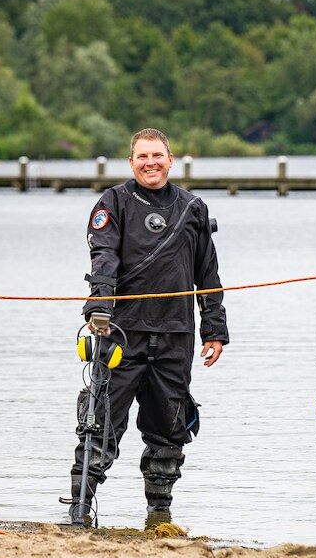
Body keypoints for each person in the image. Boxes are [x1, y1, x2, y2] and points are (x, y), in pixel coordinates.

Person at [68, 127, 229, 523]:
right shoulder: (114, 202)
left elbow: (207, 273)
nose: (151, 163)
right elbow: (103, 258)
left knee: (170, 429)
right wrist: (99, 307)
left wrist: (215, 329)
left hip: (175, 337)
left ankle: (159, 515)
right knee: (98, 421)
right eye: (142, 156)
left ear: (170, 160)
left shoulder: (194, 208)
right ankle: (80, 510)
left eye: (157, 155)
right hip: (120, 332)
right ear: (131, 162)